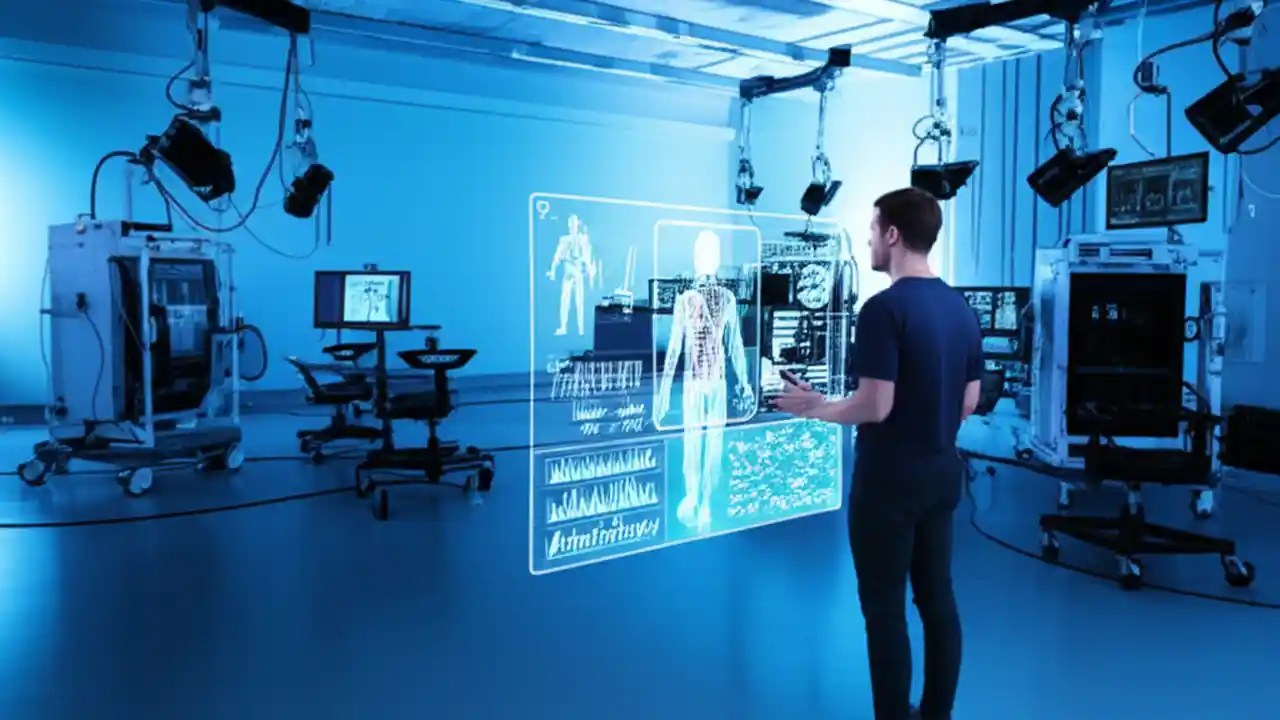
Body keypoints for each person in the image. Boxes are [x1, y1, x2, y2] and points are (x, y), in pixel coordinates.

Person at [775, 187, 982, 720]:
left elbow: (875, 405)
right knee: (938, 602)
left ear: (892, 235)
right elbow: (970, 400)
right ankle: (936, 714)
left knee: (884, 612)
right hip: (942, 475)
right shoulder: (960, 306)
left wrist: (814, 407)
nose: (868, 238)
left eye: (872, 229)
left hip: (889, 484)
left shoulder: (883, 309)